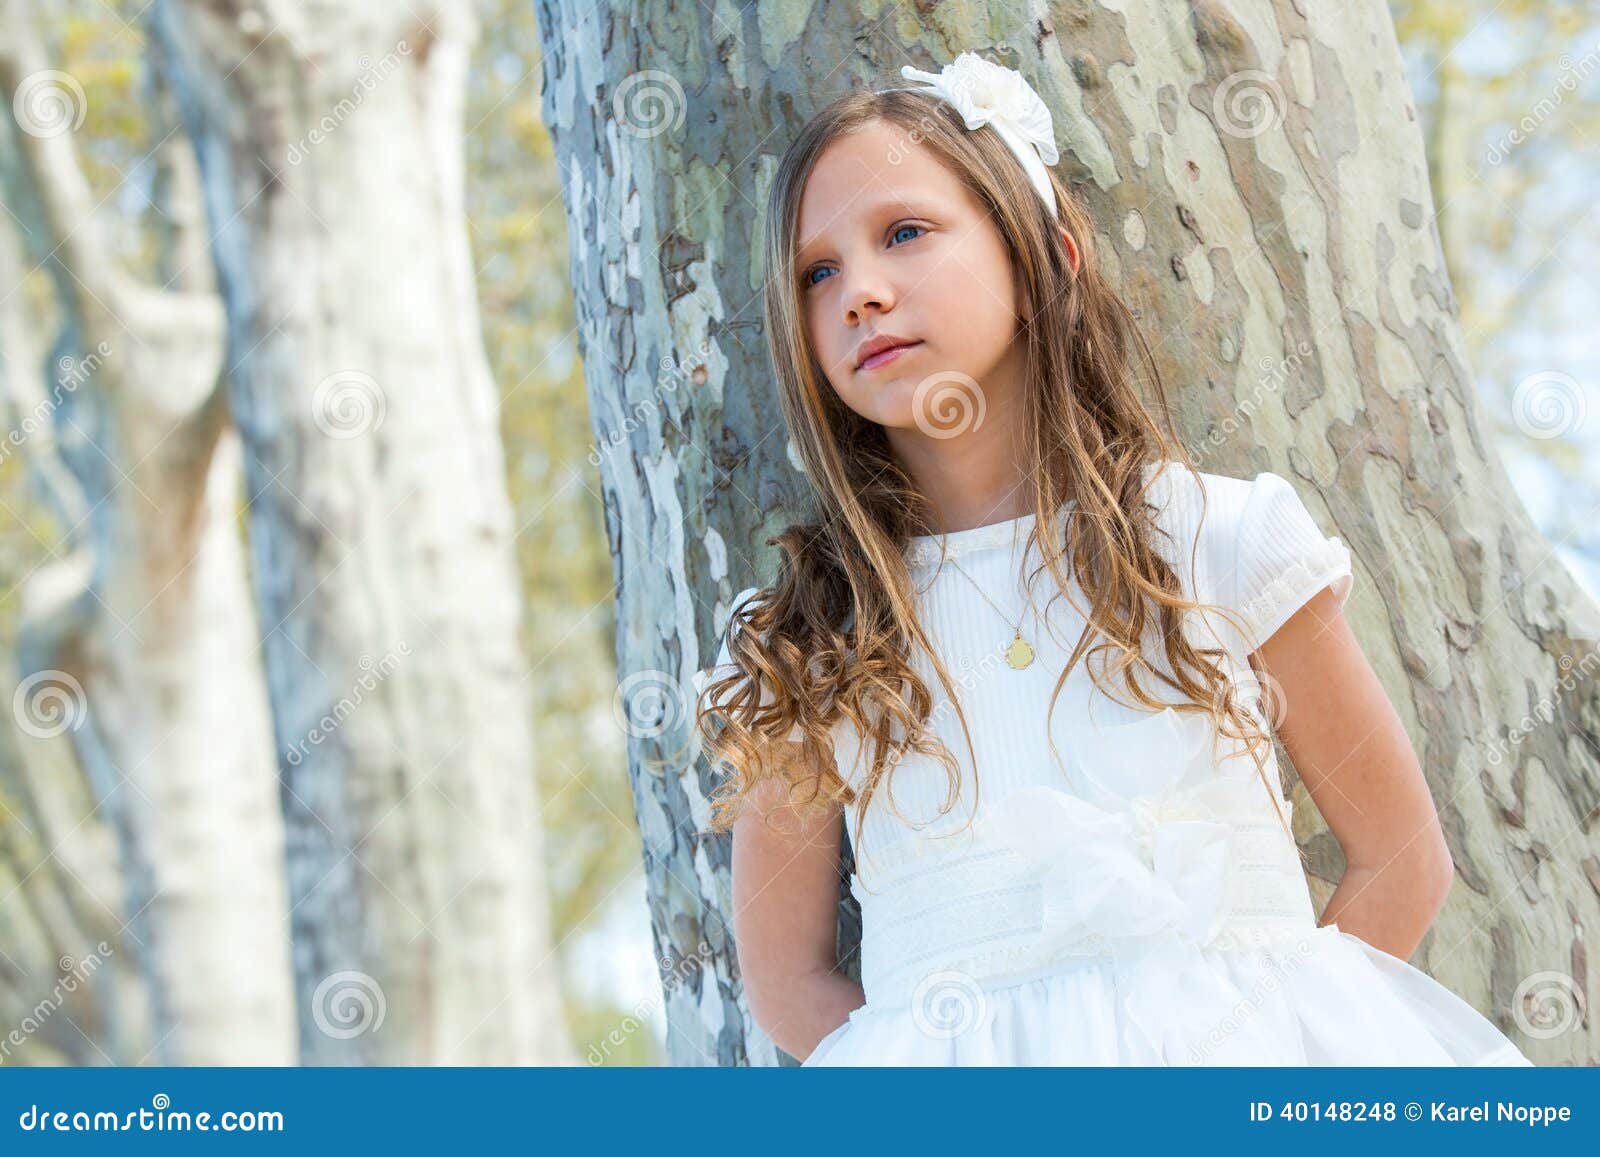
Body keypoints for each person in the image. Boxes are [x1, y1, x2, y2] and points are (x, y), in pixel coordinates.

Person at [693, 52, 1534, 1067]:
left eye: (904, 232)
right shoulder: (804, 639)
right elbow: (787, 980)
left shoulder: (1219, 539)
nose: (859, 293)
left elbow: (1400, 857)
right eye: (816, 273)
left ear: (1042, 257)